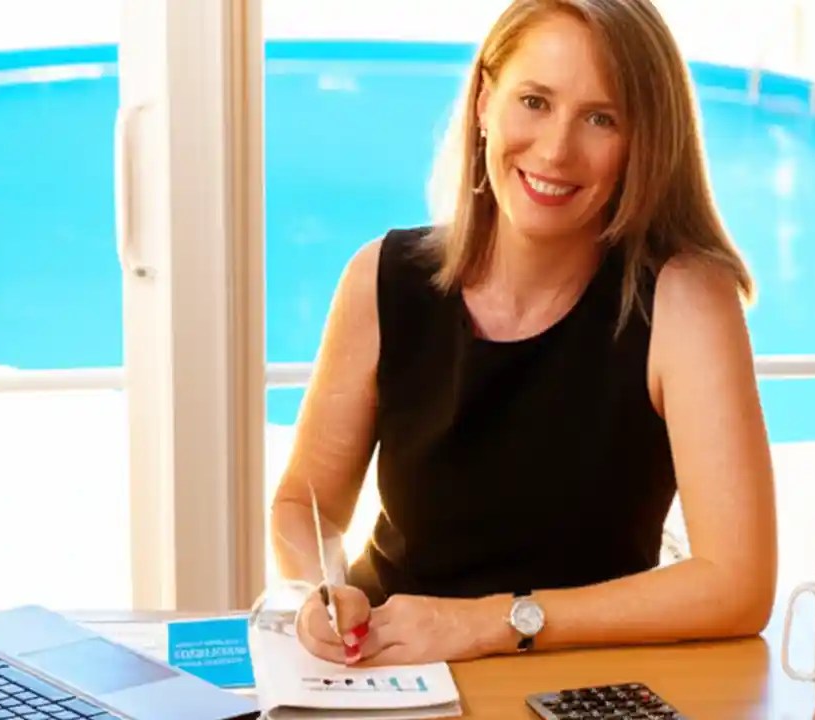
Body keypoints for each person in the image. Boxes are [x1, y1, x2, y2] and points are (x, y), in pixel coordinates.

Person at [269, 0, 777, 668]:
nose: (556, 150)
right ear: (484, 101)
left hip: (588, 685)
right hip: (387, 669)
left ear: (642, 141)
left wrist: (491, 623)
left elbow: (738, 585)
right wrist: (322, 593)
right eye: (534, 101)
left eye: (601, 118)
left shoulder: (686, 302)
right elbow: (303, 502)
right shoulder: (381, 279)